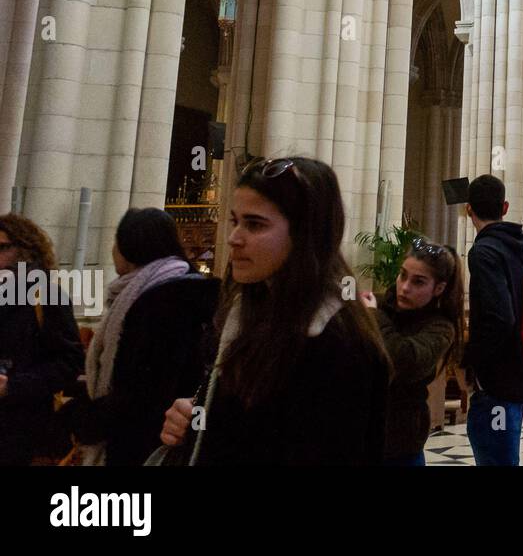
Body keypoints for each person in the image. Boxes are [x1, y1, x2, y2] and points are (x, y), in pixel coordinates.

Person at [159, 157, 390, 465]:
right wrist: (197, 417)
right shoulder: (244, 314)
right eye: (235, 221)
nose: (234, 238)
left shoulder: (340, 344)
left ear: (306, 233)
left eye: (255, 224)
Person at [73, 208, 218, 466]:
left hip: (142, 445)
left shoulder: (158, 301)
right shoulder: (177, 289)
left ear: (129, 247)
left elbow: (141, 391)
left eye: (115, 243)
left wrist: (83, 418)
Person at [459, 173, 523, 466]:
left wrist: (470, 362)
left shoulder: (484, 251)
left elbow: (500, 318)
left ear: (468, 210)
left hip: (496, 383)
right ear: (505, 208)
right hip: (519, 374)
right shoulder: (520, 248)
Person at [362, 239, 461, 466]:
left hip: (399, 443)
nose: (404, 287)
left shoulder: (441, 327)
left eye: (418, 282)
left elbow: (404, 360)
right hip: (360, 437)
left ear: (439, 288)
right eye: (402, 275)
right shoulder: (379, 305)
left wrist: (372, 318)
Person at [0, 215, 84, 466]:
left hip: (22, 429)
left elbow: (70, 362)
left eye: (2, 248)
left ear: (25, 250)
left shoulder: (46, 297)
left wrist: (12, 386)